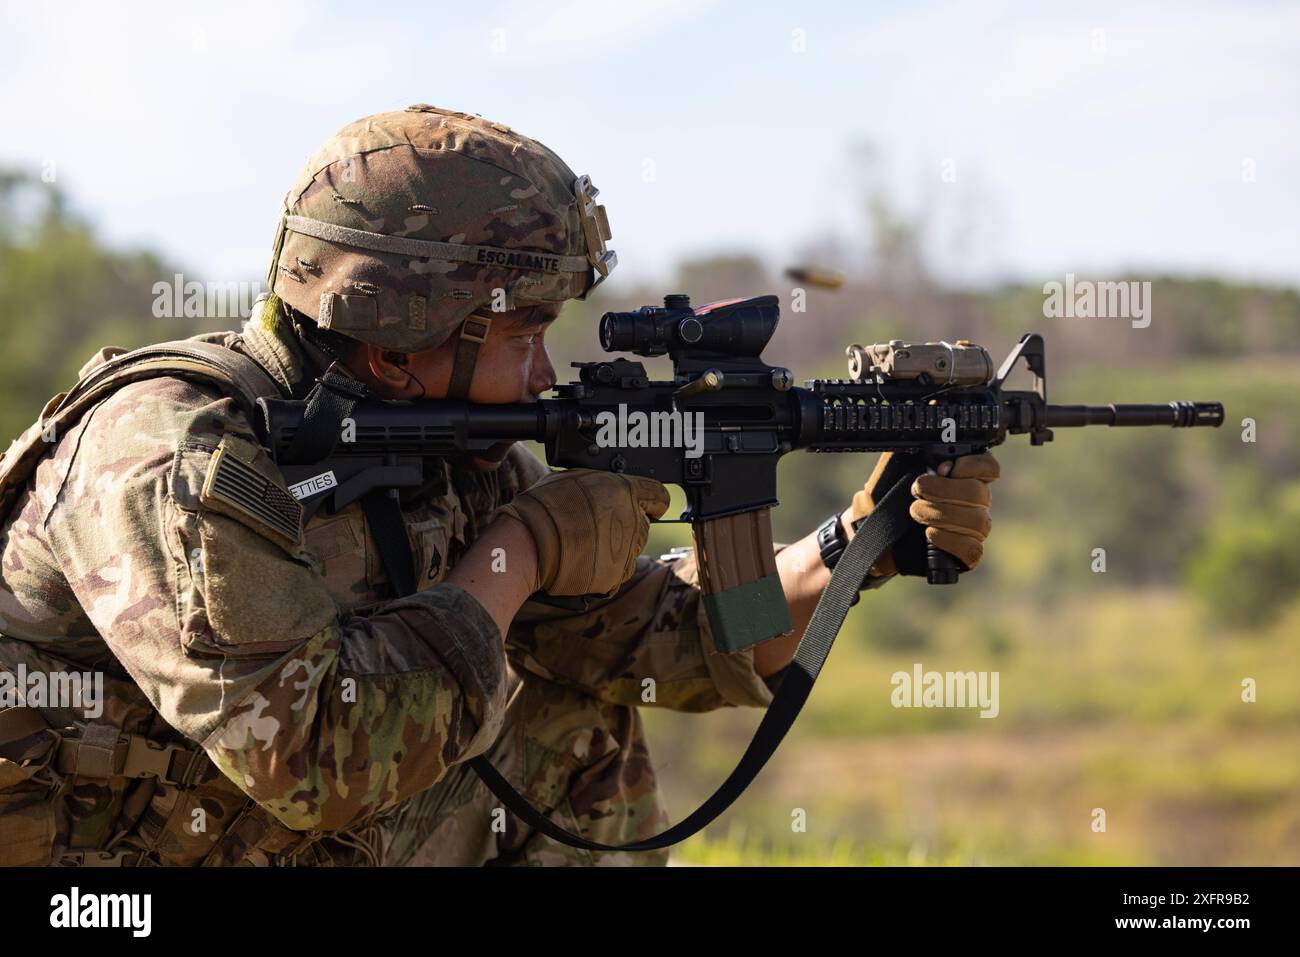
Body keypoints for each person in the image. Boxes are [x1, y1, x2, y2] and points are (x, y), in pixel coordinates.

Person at [0, 106, 999, 866]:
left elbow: (666, 642)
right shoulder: (168, 454)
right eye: (522, 332)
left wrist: (856, 544)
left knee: (576, 711)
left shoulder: (444, 447)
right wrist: (523, 552)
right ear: (401, 337)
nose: (541, 372)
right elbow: (315, 762)